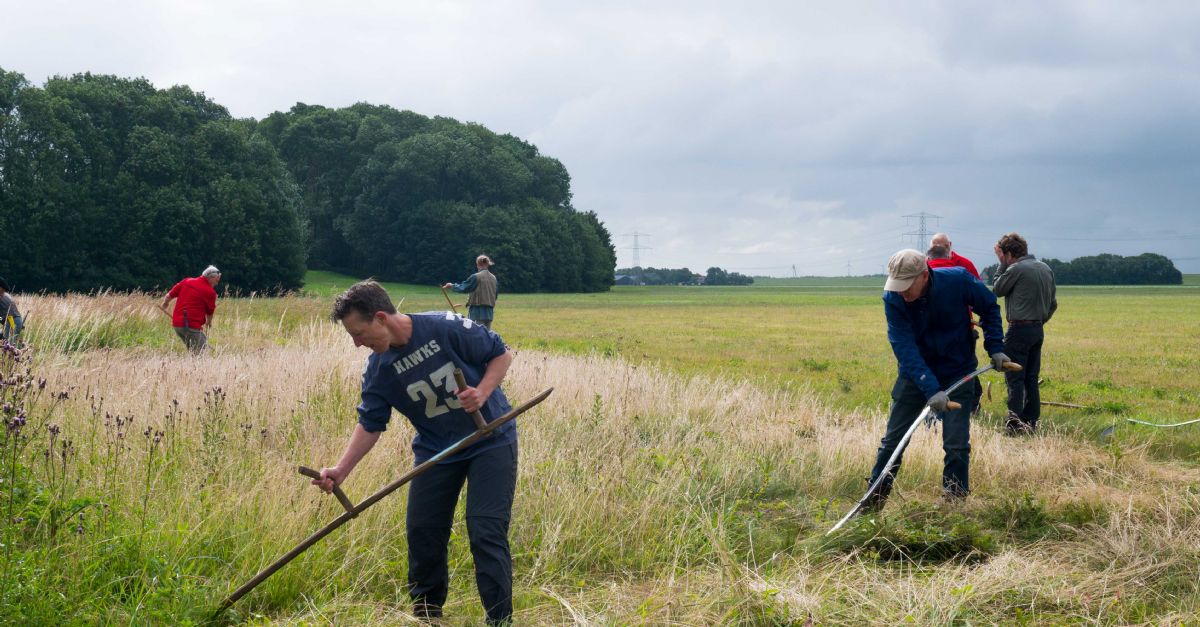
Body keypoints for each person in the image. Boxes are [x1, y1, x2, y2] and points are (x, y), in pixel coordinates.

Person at [313, 280, 517, 625]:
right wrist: (342, 469)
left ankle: (500, 620)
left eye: (359, 333)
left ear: (381, 317)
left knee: (485, 529)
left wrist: (482, 392)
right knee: (423, 530)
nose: (356, 343)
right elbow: (371, 423)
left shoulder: (444, 327)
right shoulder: (378, 369)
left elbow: (501, 353)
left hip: (490, 439)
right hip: (438, 450)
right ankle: (428, 616)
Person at [867, 249, 1008, 508]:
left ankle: (954, 504)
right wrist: (930, 388)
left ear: (924, 275)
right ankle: (873, 500)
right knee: (893, 441)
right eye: (897, 286)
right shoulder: (893, 298)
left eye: (907, 286)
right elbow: (903, 345)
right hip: (915, 371)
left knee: (956, 444)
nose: (902, 292)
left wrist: (996, 346)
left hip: (958, 369)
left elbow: (989, 307)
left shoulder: (958, 280)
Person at [992, 233, 1057, 435]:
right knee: (1031, 377)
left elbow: (997, 289)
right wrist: (1039, 320)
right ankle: (1031, 422)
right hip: (1037, 329)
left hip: (1018, 329)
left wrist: (1001, 264)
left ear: (1009, 253)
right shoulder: (1045, 267)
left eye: (1003, 255)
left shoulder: (1016, 268)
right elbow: (1053, 304)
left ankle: (1014, 425)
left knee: (1014, 378)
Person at [160, 265, 220, 354]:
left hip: (177, 325)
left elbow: (169, 295)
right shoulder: (210, 292)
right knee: (202, 352)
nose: (216, 283)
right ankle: (199, 367)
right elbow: (210, 312)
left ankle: (192, 366)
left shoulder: (187, 281)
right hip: (189, 325)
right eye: (216, 280)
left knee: (193, 350)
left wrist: (165, 303)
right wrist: (209, 322)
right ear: (211, 277)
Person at [442, 255, 498, 329]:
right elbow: (495, 295)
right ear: (487, 264)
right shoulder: (494, 278)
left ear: (477, 264)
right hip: (489, 313)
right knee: (486, 337)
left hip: (477, 313)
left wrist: (452, 286)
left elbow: (464, 288)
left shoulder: (476, 276)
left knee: (476, 336)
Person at [0, 276, 23, 341]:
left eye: (2, 290)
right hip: (15, 320)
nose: (2, 293)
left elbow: (9, 314)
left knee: (7, 344)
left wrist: (13, 326)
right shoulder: (7, 295)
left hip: (12, 321)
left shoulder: (2, 296)